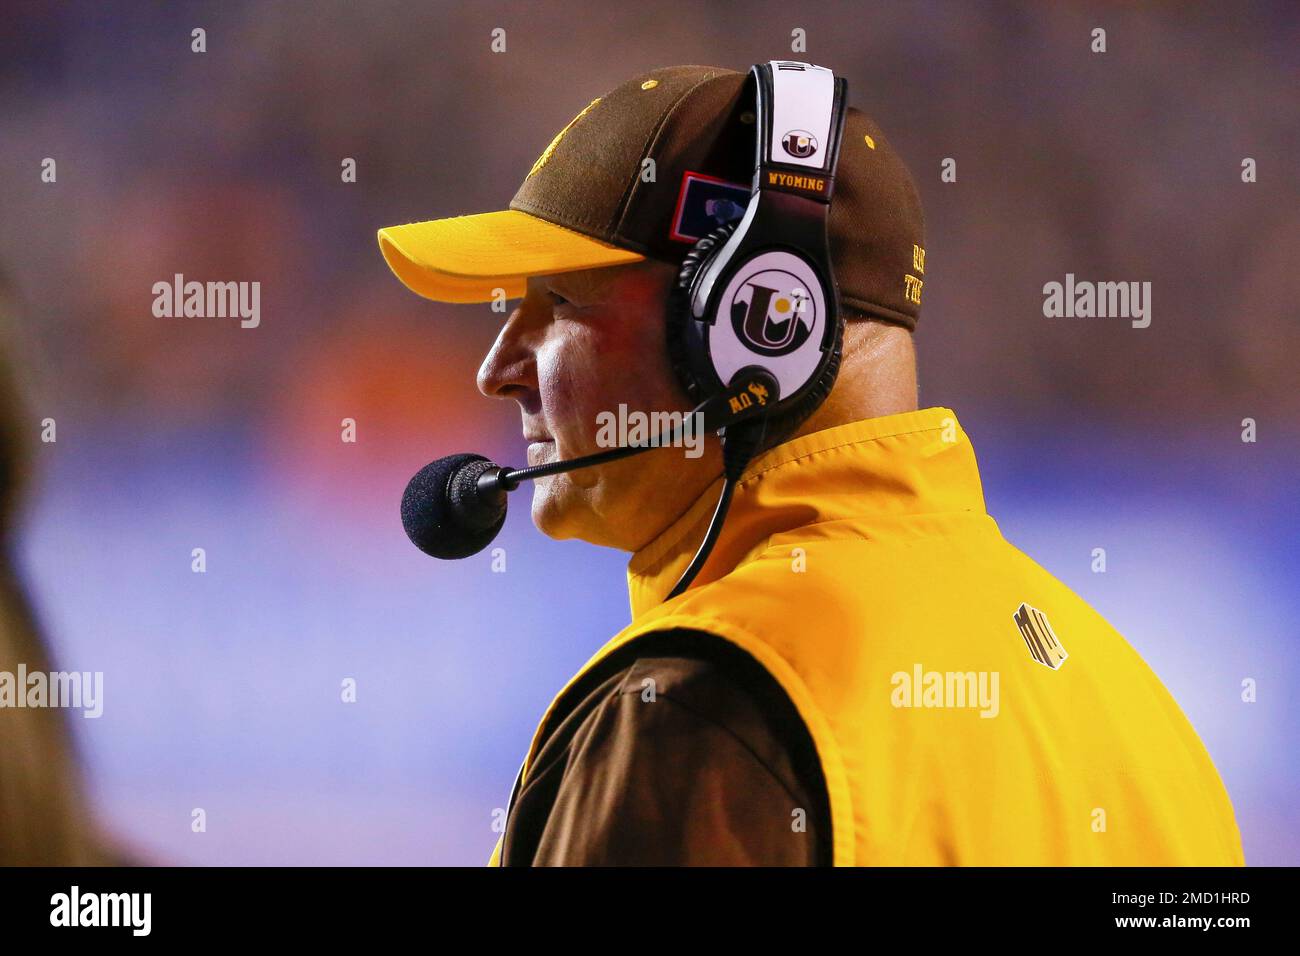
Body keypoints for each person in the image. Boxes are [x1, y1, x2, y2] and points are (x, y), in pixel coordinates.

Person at [378, 63, 1245, 866]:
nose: (497, 369)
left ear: (754, 327)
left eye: (560, 302)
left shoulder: (700, 707)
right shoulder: (1136, 710)